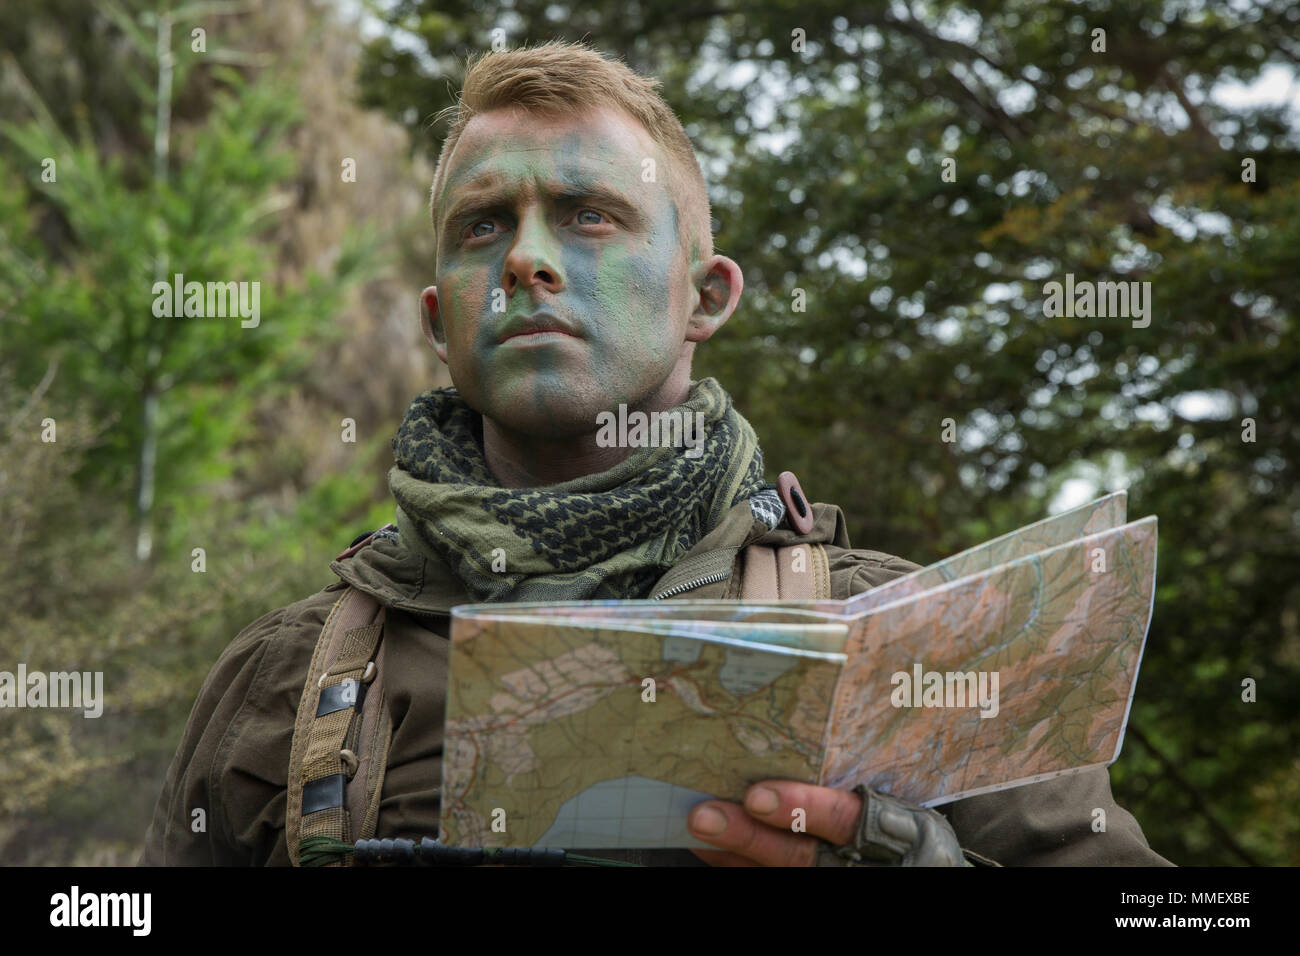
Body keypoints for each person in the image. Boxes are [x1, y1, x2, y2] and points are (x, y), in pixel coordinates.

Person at [139, 40, 1171, 867]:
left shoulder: (912, 641)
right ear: (437, 317)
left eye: (590, 217)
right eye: (482, 227)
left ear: (704, 297)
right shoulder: (284, 673)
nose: (528, 259)